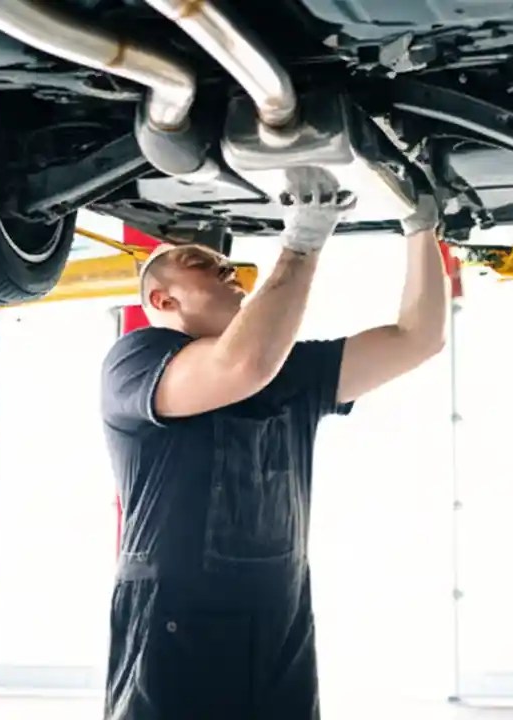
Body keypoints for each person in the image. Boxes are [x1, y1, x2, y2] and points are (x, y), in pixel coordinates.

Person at [99, 180, 448, 720]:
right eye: (199, 262)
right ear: (162, 301)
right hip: (175, 620)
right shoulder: (138, 358)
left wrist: (421, 226)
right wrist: (304, 241)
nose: (228, 271)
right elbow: (240, 367)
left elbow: (416, 338)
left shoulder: (291, 372)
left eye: (228, 265)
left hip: (277, 618)